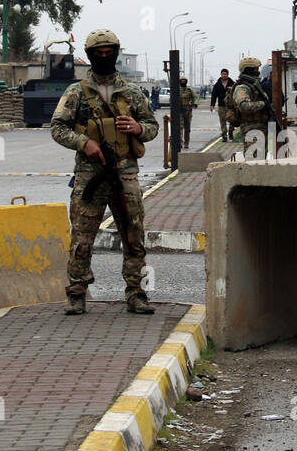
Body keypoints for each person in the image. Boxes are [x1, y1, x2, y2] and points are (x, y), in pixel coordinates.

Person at [50, 28, 159, 315]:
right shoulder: (76, 93)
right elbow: (57, 128)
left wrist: (137, 128)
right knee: (82, 237)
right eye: (98, 53)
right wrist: (84, 143)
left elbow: (152, 127)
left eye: (108, 52)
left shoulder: (132, 92)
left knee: (133, 233)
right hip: (90, 174)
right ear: (89, 56)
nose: (103, 56)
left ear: (116, 53)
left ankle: (136, 292)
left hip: (125, 174)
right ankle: (76, 292)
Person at [231, 57, 271, 144]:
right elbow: (244, 106)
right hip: (251, 128)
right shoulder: (242, 87)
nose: (258, 71)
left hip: (260, 126)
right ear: (249, 70)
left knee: (261, 156)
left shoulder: (254, 85)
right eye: (256, 69)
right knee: (254, 157)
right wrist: (263, 103)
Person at [210, 68, 235, 142]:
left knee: (232, 120)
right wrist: (212, 105)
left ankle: (230, 132)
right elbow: (214, 95)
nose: (224, 75)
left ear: (227, 75)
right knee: (222, 121)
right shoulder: (217, 85)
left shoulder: (232, 84)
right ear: (221, 75)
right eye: (222, 74)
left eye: (225, 74)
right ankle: (224, 135)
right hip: (221, 105)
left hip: (230, 106)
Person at [178, 77, 197, 148]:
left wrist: (194, 103)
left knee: (187, 128)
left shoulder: (189, 90)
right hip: (179, 111)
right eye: (181, 81)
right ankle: (180, 142)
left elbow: (195, 97)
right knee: (180, 127)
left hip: (188, 111)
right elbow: (172, 99)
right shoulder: (177, 90)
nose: (183, 82)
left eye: (184, 81)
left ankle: (186, 143)